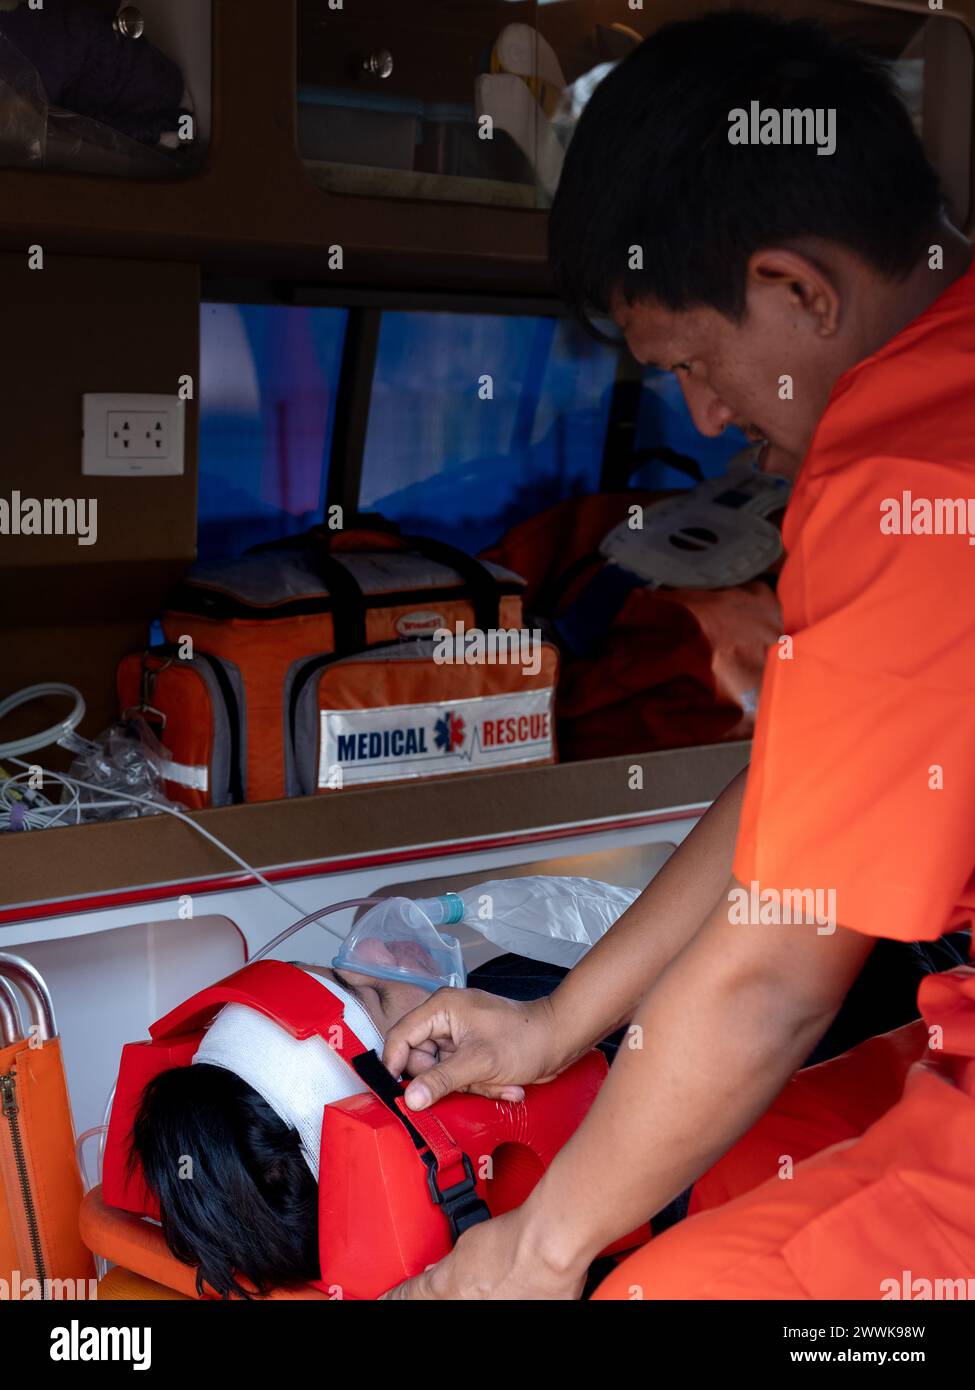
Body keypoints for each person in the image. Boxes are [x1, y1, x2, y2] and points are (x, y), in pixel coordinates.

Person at [378, 11, 975, 1301]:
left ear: (801, 289)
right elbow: (794, 801)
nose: (705, 419)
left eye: (701, 365)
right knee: (718, 1165)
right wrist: (552, 1026)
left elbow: (774, 977)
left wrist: (533, 1257)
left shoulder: (903, 469)